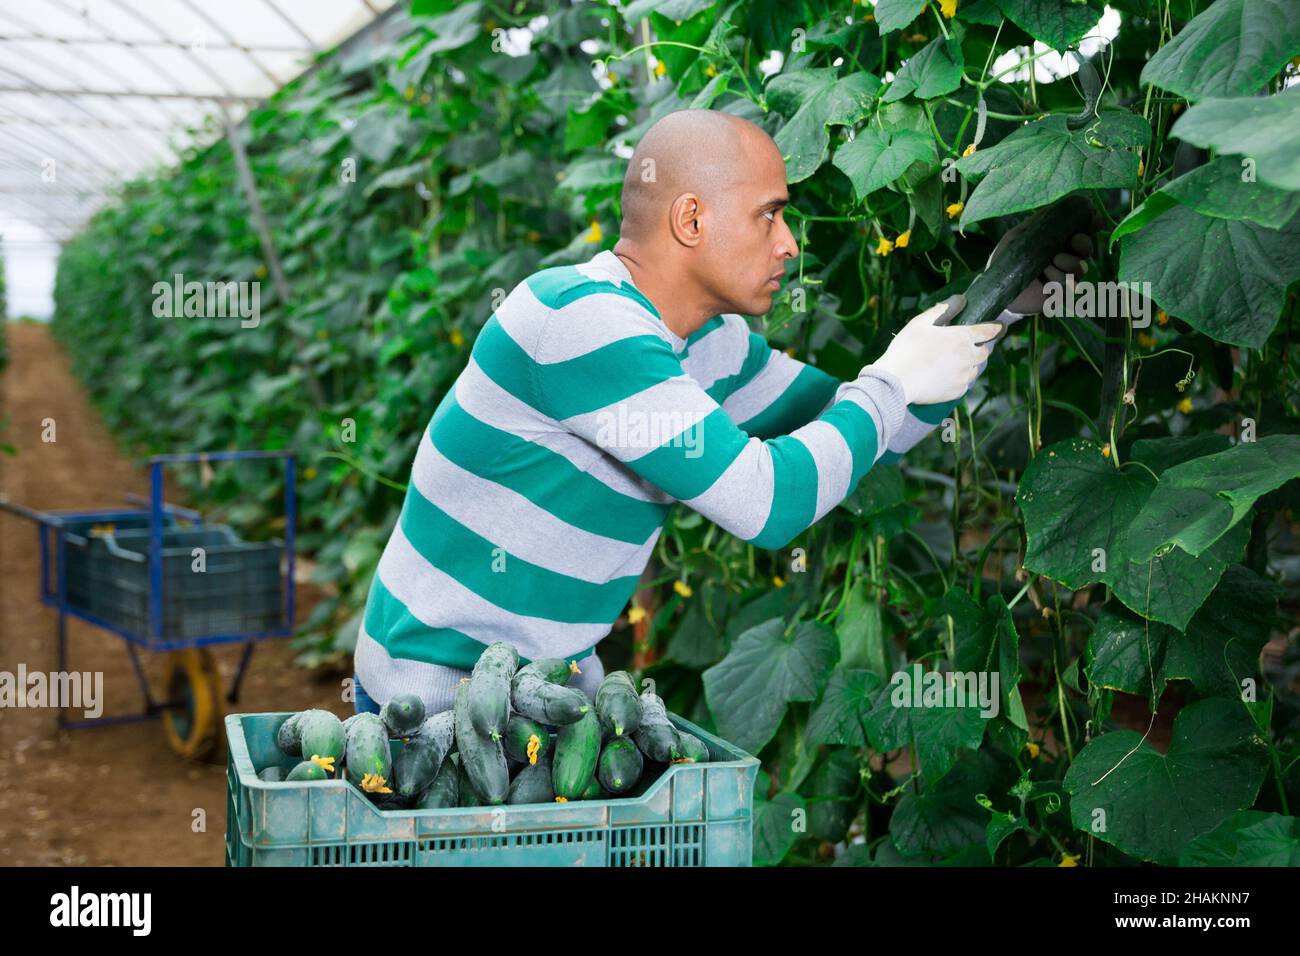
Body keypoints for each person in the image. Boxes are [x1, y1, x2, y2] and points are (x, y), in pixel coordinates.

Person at [351, 108, 1089, 716]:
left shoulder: (709, 346)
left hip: (542, 687)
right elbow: (768, 503)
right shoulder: (577, 321)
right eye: (769, 216)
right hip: (434, 693)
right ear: (691, 219)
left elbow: (864, 432)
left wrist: (991, 318)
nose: (789, 244)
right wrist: (892, 380)